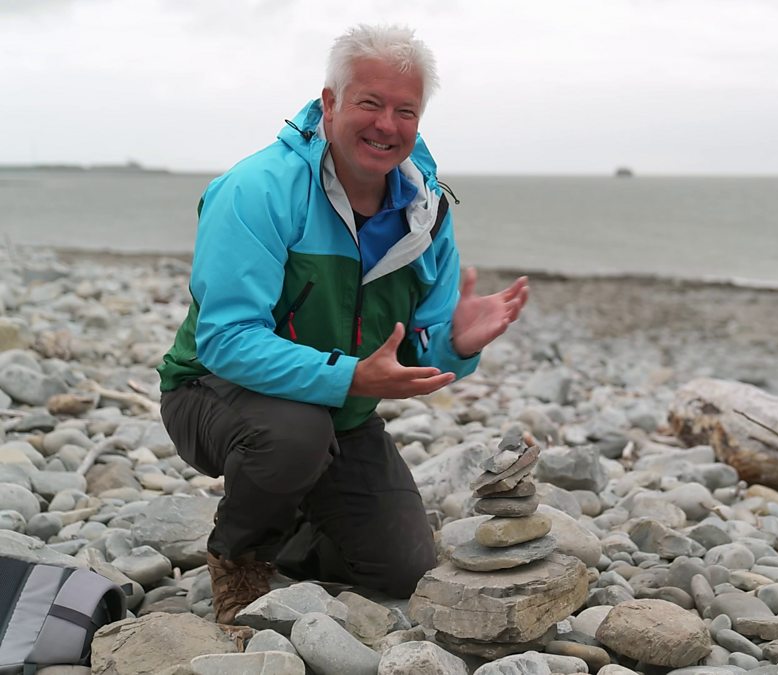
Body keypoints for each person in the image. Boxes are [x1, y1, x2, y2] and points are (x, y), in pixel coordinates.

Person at [156, 24, 528, 624]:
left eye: (405, 111)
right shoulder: (257, 190)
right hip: (213, 390)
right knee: (293, 437)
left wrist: (457, 344)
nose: (386, 125)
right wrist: (350, 377)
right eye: (369, 103)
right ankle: (239, 556)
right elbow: (225, 340)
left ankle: (290, 514)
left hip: (339, 411)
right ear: (329, 103)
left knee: (402, 569)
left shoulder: (425, 212)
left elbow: (416, 351)